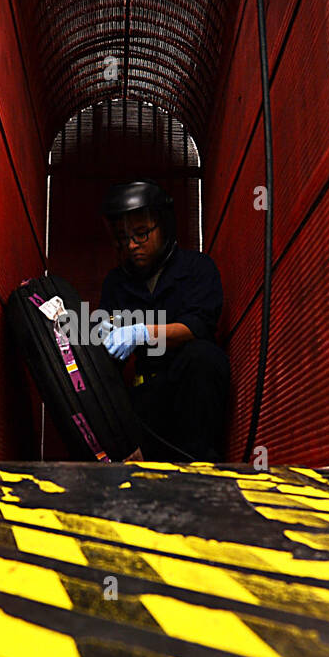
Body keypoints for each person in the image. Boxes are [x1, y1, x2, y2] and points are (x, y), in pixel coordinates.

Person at [98, 179, 229, 461]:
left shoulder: (197, 268)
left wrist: (142, 333)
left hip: (192, 391)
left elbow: (199, 326)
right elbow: (107, 347)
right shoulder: (116, 283)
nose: (132, 245)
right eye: (123, 238)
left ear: (164, 226)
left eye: (141, 234)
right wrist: (100, 337)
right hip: (146, 399)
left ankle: (198, 465)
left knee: (203, 356)